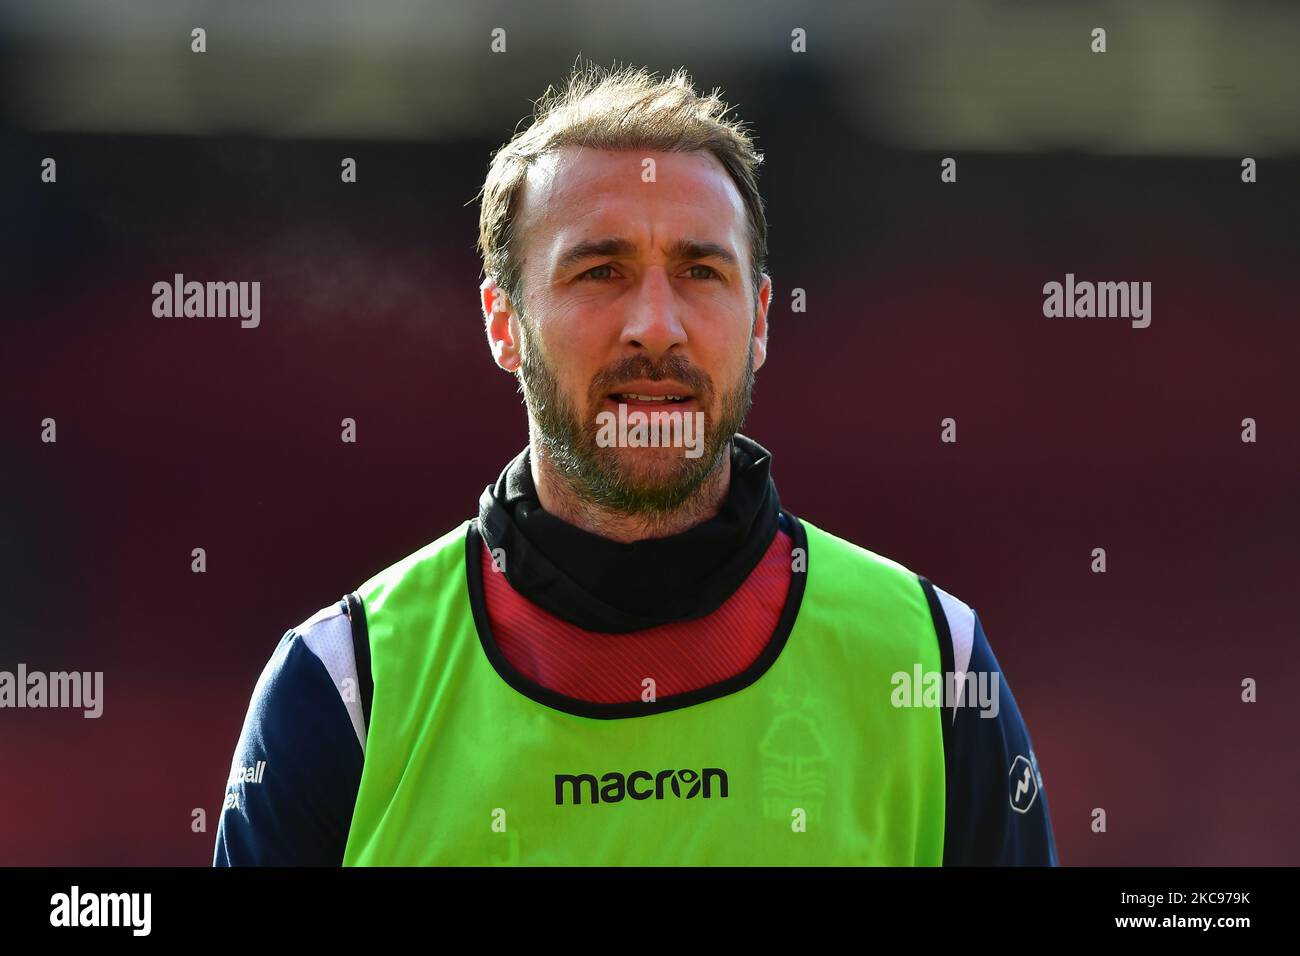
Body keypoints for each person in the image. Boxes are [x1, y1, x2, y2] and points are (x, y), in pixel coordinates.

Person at [214, 63, 1058, 866]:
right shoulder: (346, 687)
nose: (656, 326)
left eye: (699, 270)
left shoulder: (931, 662)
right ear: (503, 322)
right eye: (601, 270)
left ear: (759, 318)